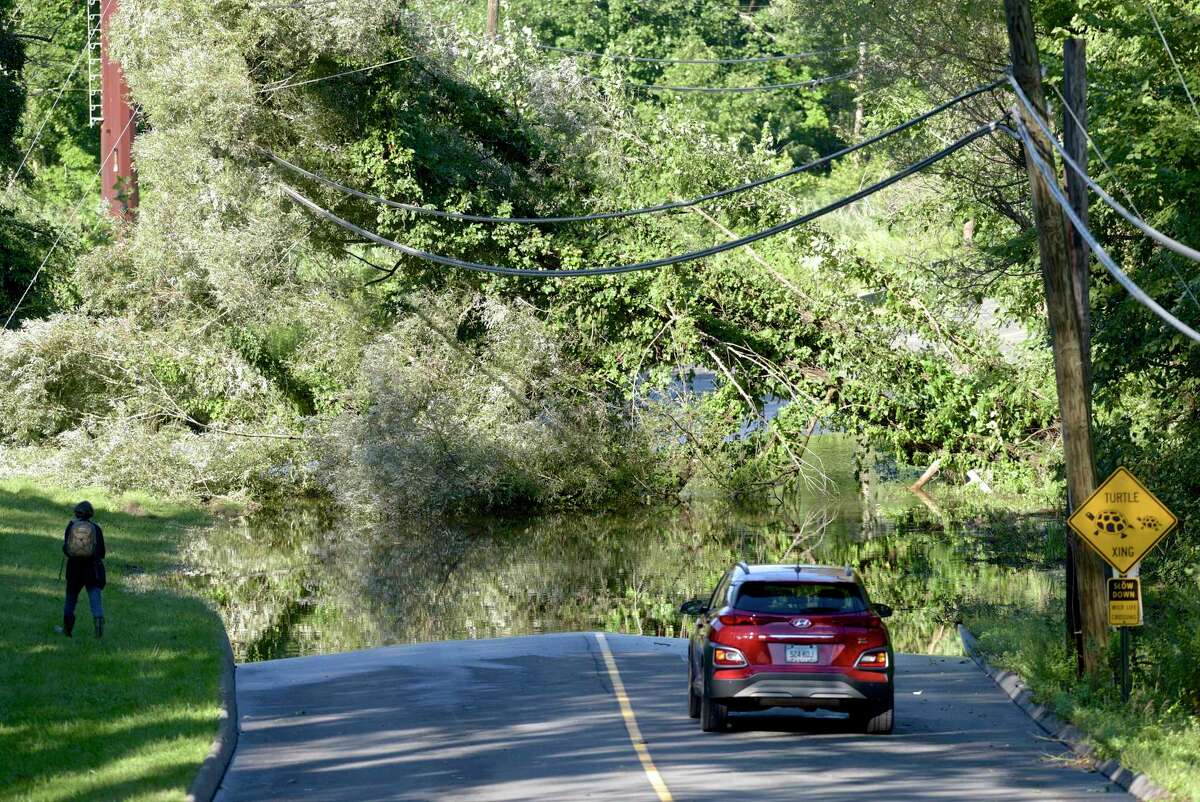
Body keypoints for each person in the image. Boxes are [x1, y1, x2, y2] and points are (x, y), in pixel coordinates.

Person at [60, 501, 106, 638]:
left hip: (74, 569)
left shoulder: (71, 526)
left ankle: (67, 630)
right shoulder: (96, 528)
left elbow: (66, 549)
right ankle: (98, 626)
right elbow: (102, 552)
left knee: (71, 599)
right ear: (91, 514)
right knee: (95, 598)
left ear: (76, 512)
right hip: (92, 570)